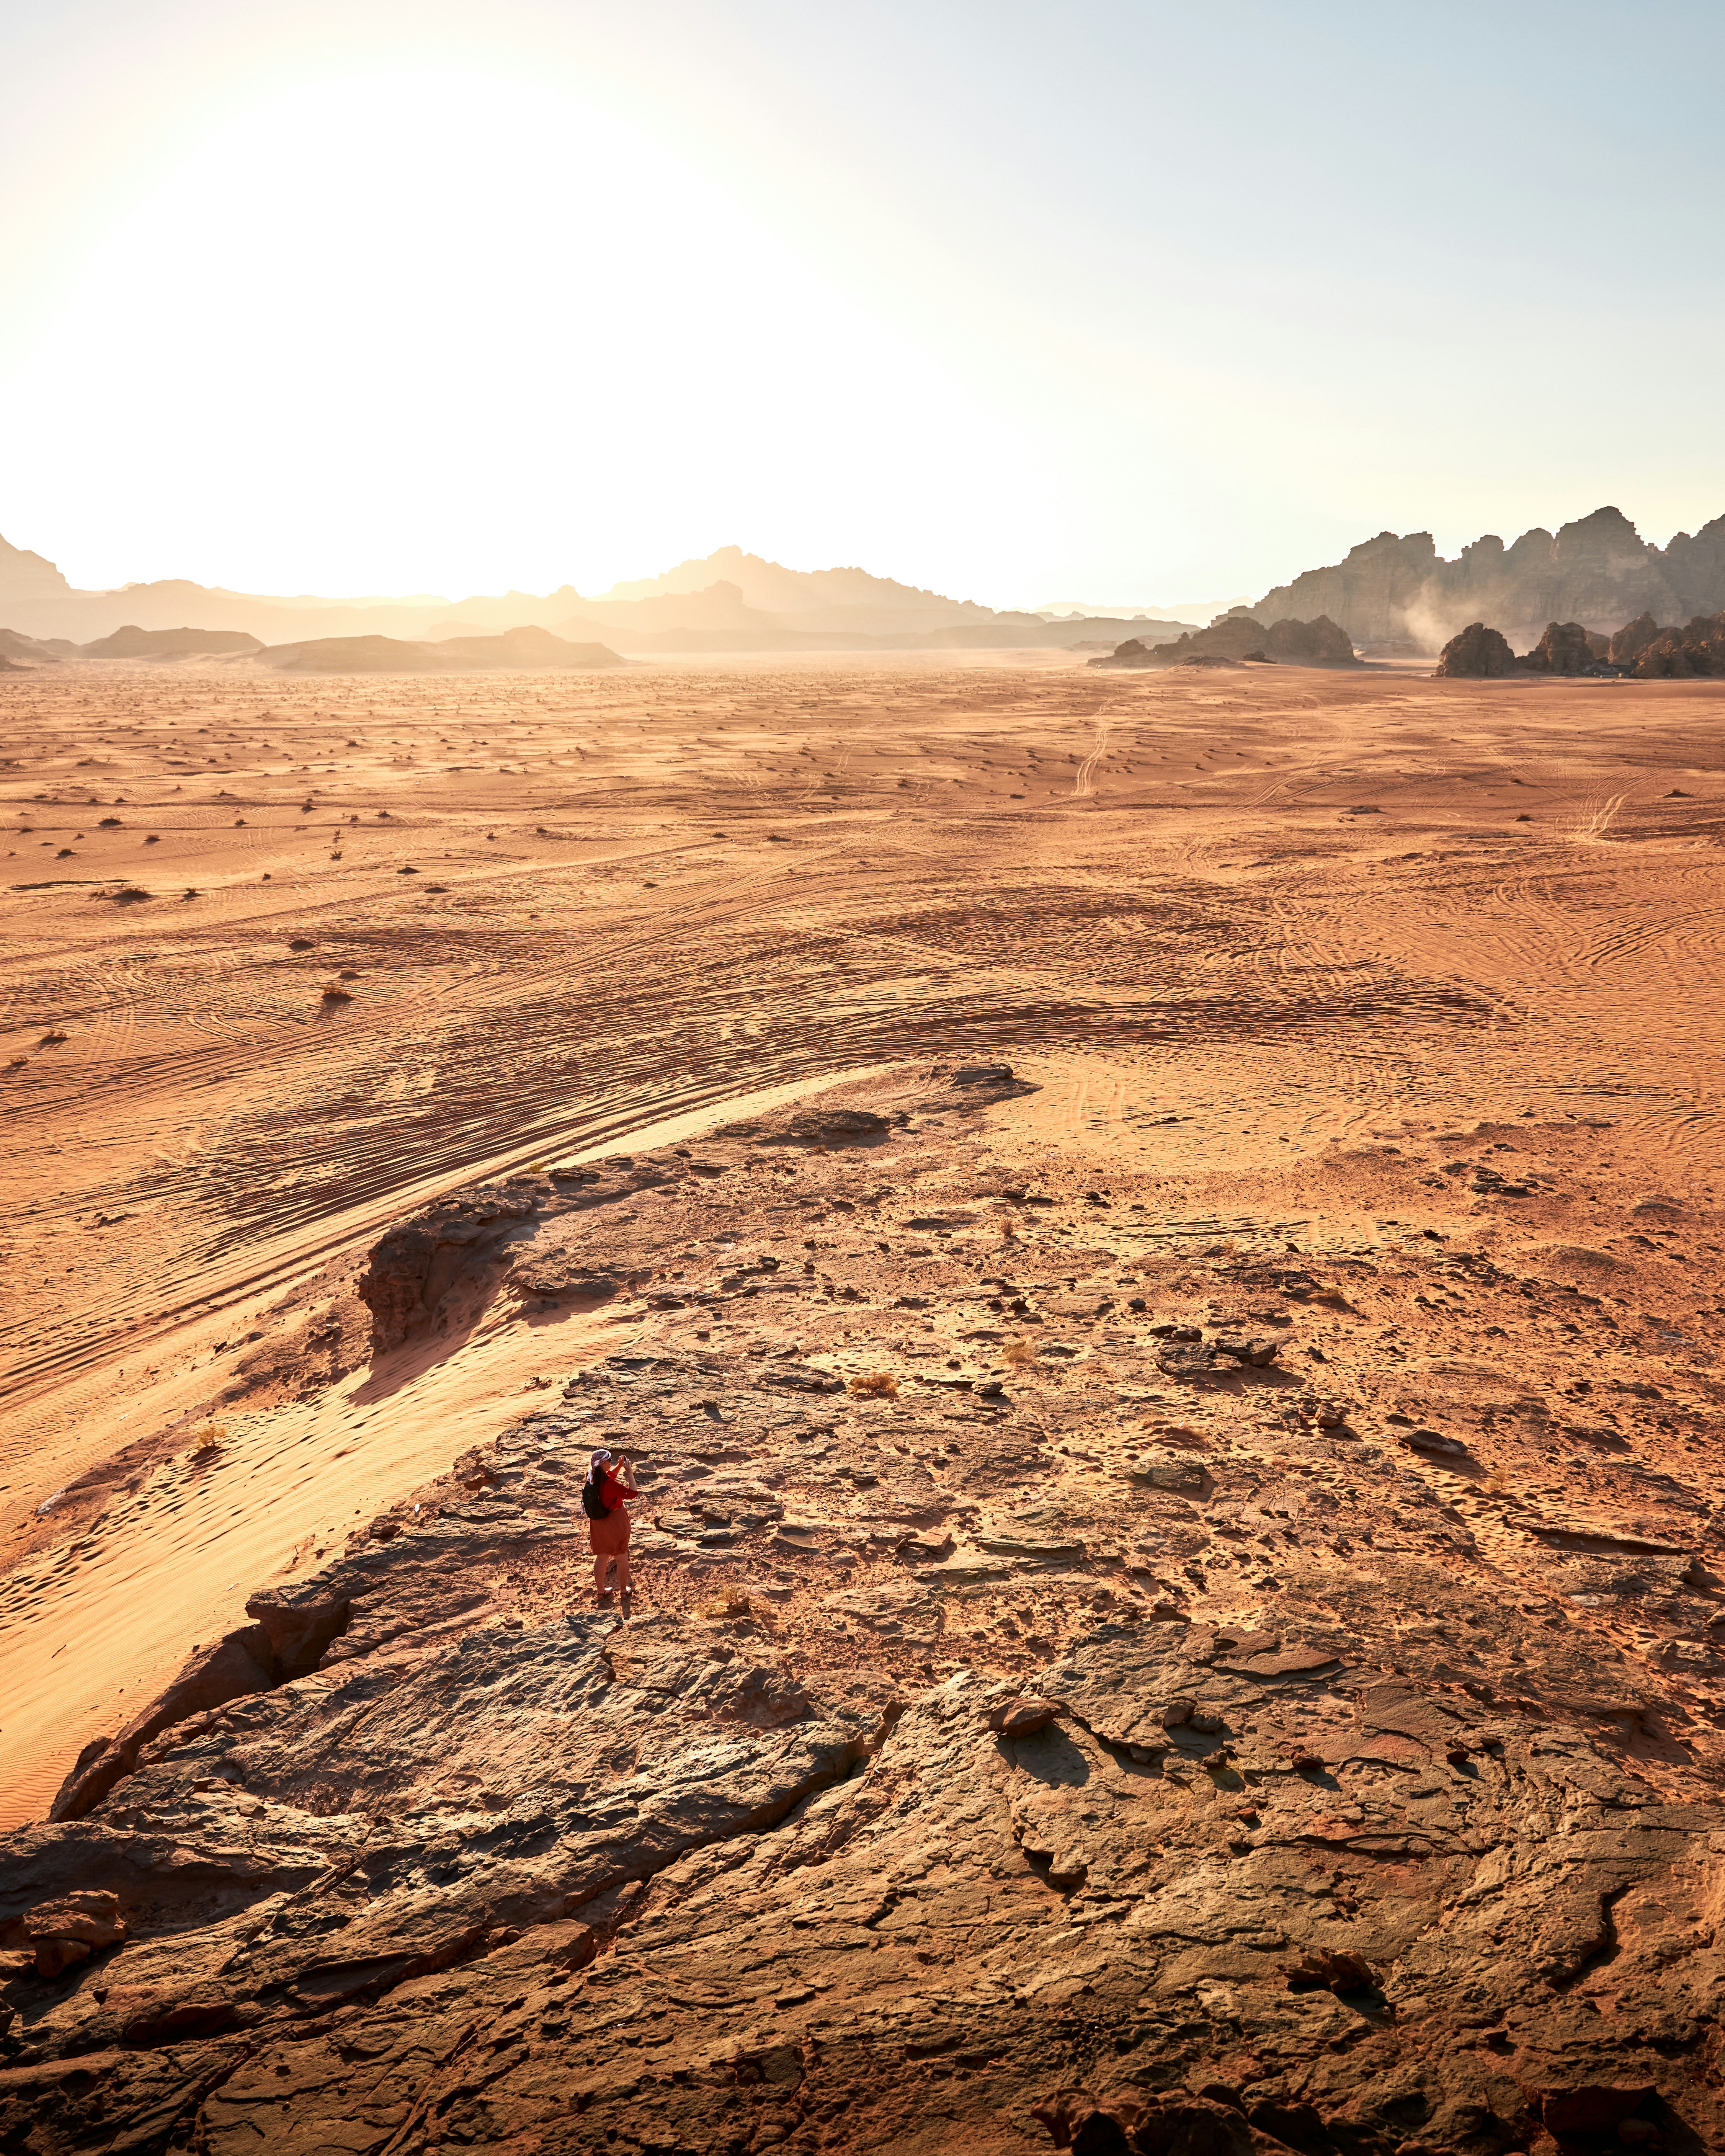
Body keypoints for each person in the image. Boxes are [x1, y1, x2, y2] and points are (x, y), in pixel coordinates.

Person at [585, 1446, 638, 1605]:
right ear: (602, 1463)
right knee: (622, 1557)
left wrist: (620, 1466)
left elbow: (609, 1476)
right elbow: (633, 1494)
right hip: (616, 1521)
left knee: (602, 1556)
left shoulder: (592, 1476)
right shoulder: (610, 1484)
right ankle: (623, 1591)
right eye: (609, 1460)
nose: (611, 1462)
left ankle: (601, 1592)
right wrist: (629, 1472)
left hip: (599, 1523)